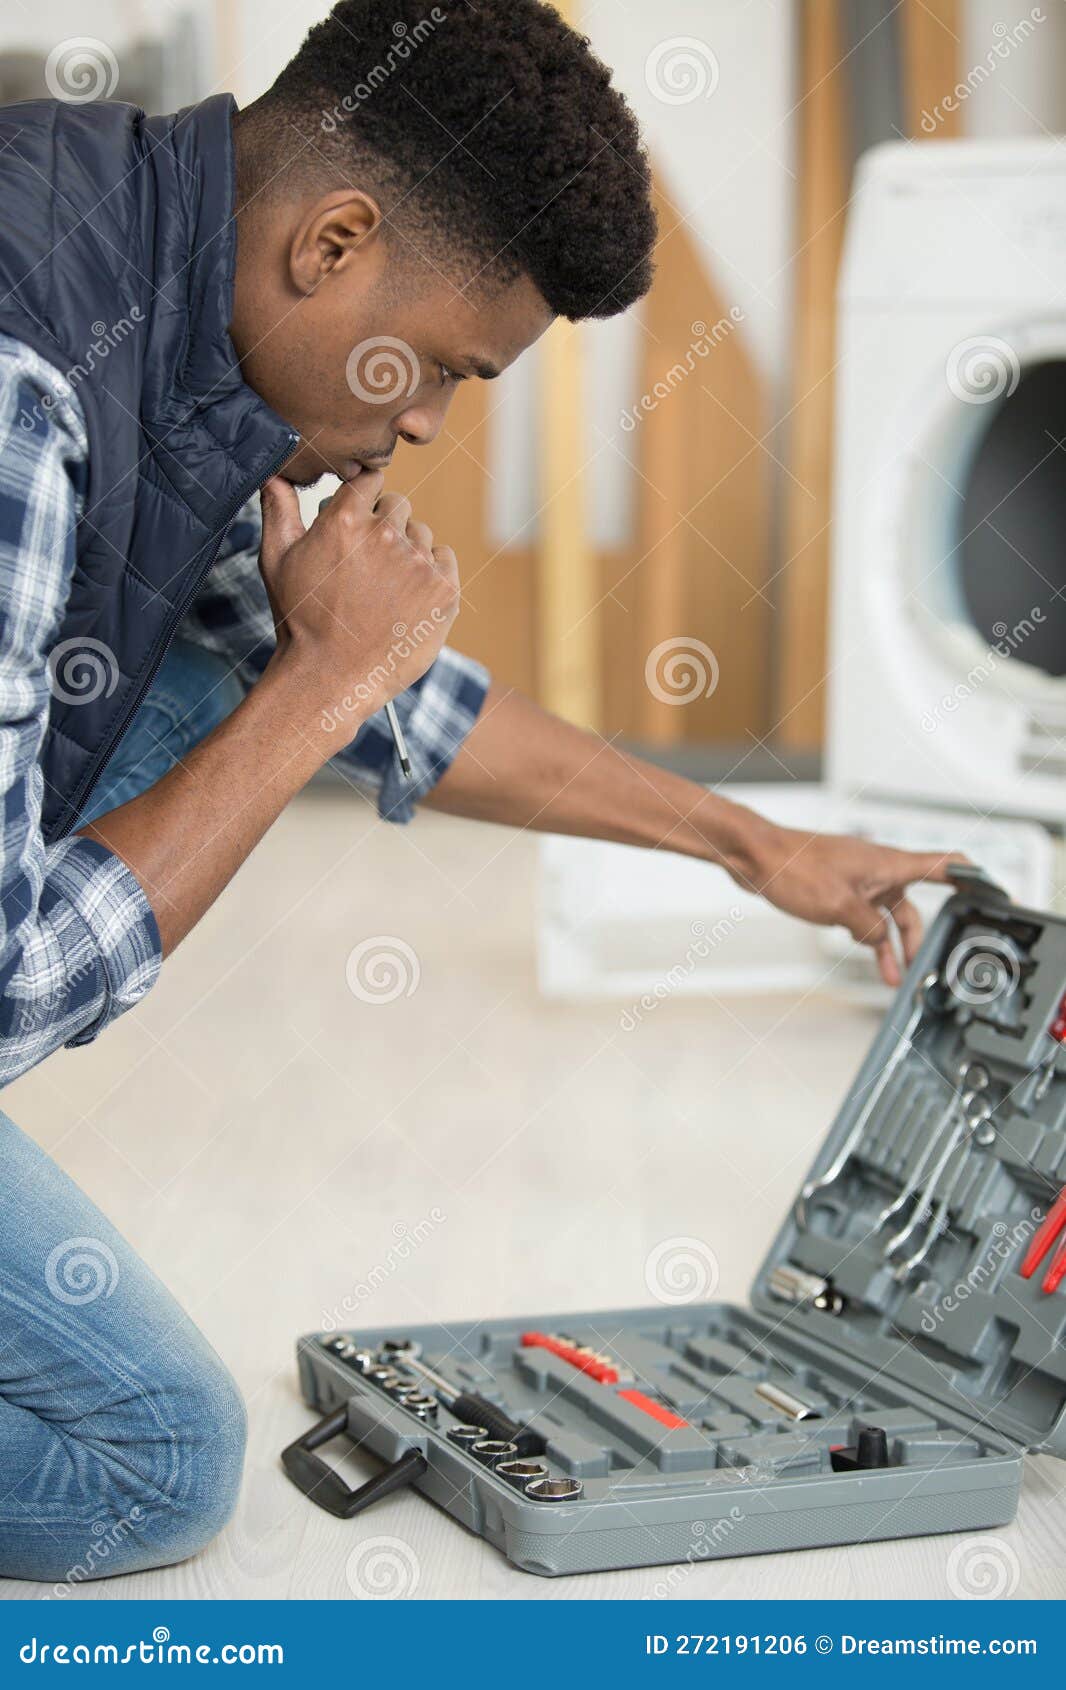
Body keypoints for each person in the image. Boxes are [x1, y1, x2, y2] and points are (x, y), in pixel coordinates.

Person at [0, 0, 958, 1580]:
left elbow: (402, 708)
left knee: (219, 668)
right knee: (151, 1454)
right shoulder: (31, 380)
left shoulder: (162, 272)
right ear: (337, 241)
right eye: (444, 367)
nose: (431, 423)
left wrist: (751, 841)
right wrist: (321, 687)